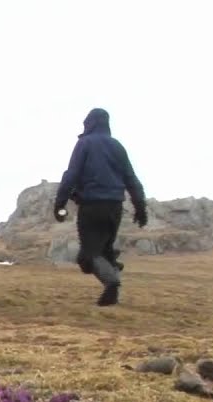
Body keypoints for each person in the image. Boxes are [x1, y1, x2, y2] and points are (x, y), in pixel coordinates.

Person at [54, 108, 147, 306]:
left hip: (92, 206)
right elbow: (132, 179)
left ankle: (112, 280)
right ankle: (111, 274)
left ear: (90, 123)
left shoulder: (84, 144)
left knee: (88, 256)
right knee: (103, 249)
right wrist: (141, 208)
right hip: (115, 208)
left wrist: (60, 203)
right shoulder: (117, 147)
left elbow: (71, 175)